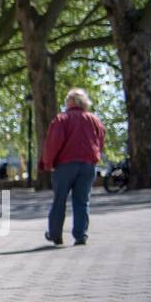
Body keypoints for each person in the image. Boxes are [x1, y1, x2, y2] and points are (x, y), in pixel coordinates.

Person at [40, 88, 106, 246]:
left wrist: (48, 163)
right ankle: (80, 234)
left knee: (59, 200)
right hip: (87, 165)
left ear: (70, 102)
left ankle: (55, 234)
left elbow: (53, 144)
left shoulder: (62, 119)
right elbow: (100, 140)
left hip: (65, 165)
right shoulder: (94, 120)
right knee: (82, 201)